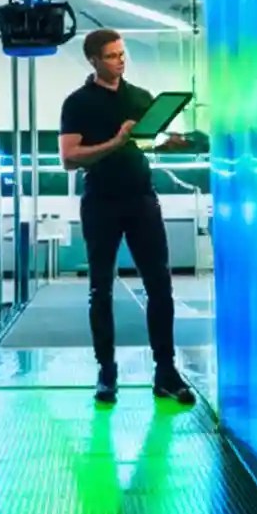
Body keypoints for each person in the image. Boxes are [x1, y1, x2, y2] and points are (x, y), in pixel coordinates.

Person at [58, 28, 196, 406]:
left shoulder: (140, 98)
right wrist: (116, 142)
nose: (120, 60)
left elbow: (151, 140)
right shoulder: (77, 103)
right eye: (112, 55)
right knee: (100, 288)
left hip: (141, 199)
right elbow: (69, 158)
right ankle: (107, 371)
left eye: (122, 53)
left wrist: (173, 142)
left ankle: (165, 371)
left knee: (159, 286)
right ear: (93, 60)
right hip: (101, 201)